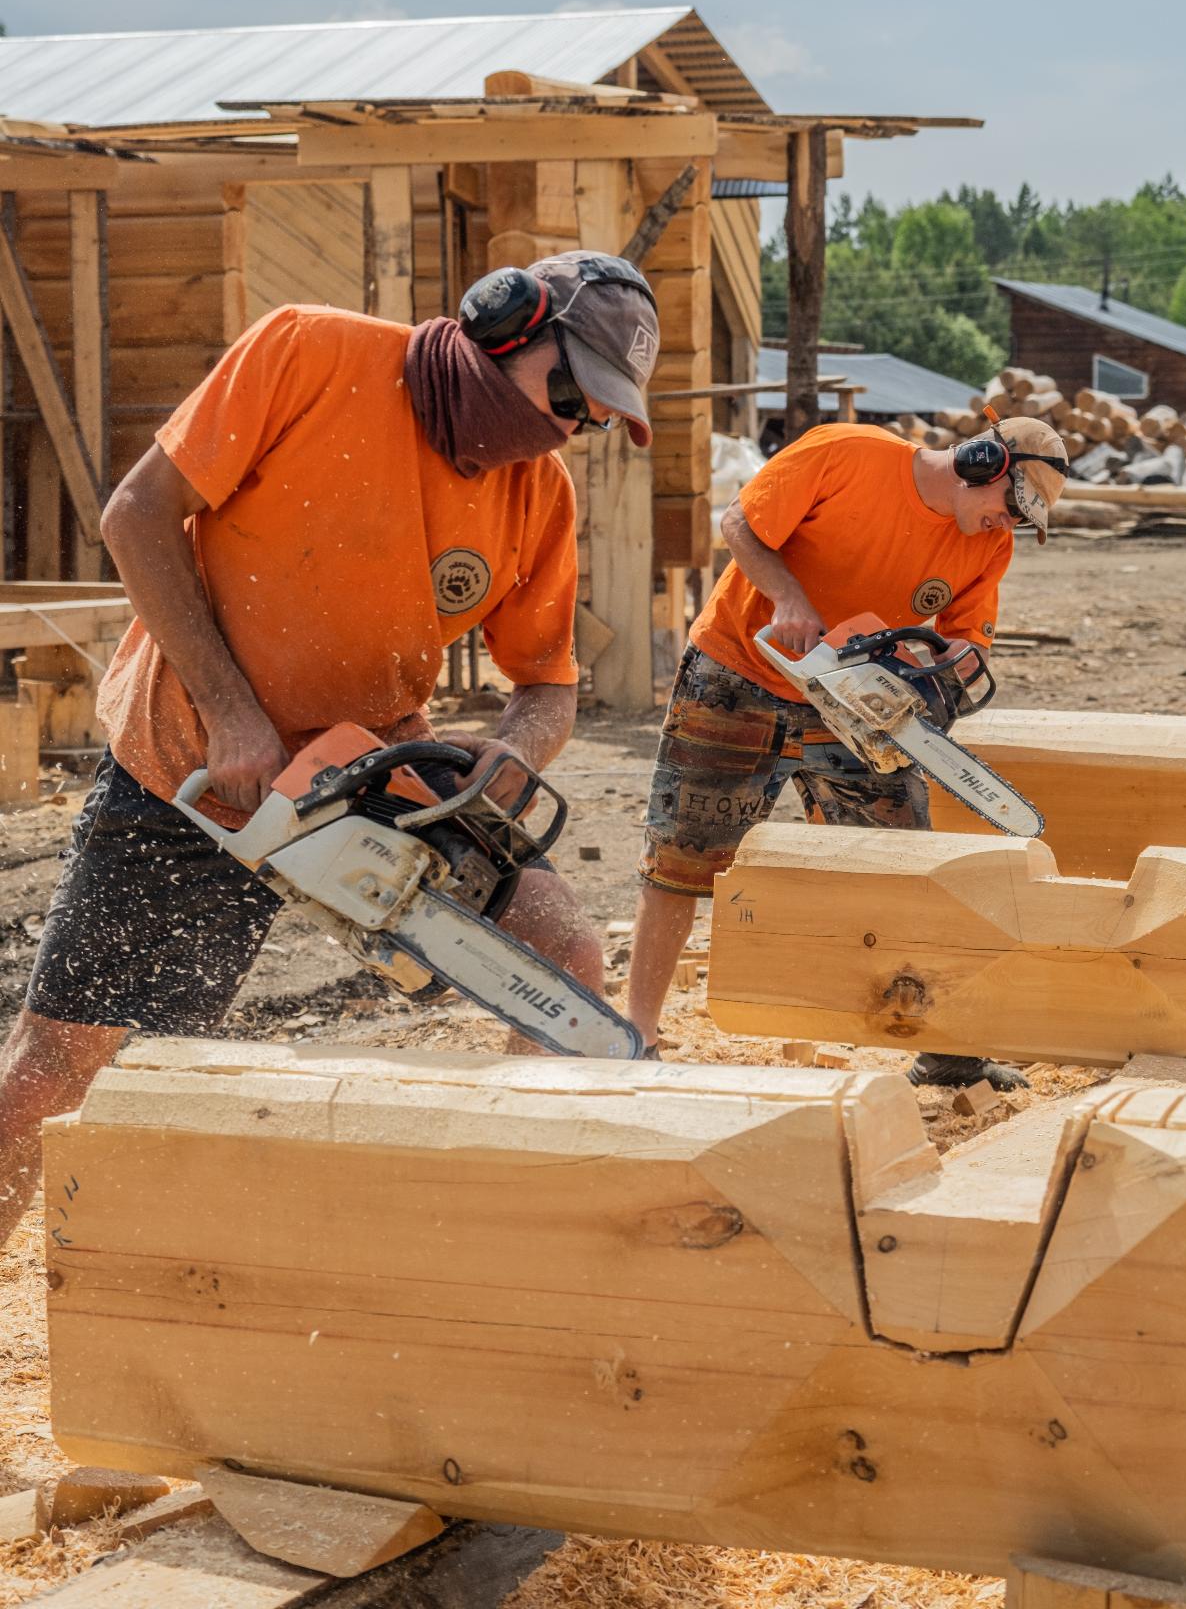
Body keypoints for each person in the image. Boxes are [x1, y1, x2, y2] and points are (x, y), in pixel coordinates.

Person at [0, 251, 659, 1248]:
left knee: (560, 947)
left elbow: (550, 683)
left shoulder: (540, 495)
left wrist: (516, 753)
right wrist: (233, 711)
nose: (570, 424)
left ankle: (517, 1237)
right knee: (60, 1060)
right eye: (570, 390)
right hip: (196, 761)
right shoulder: (310, 353)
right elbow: (135, 513)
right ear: (505, 323)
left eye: (597, 415)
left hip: (368, 764)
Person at [627, 413, 1069, 1084]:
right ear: (982, 463)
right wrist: (788, 600)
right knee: (682, 856)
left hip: (853, 703)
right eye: (1008, 508)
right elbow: (739, 524)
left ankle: (947, 1051)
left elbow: (968, 635)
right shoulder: (847, 453)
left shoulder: (987, 547)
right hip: (738, 670)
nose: (1003, 527)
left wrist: (955, 666)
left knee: (904, 865)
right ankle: (636, 1034)